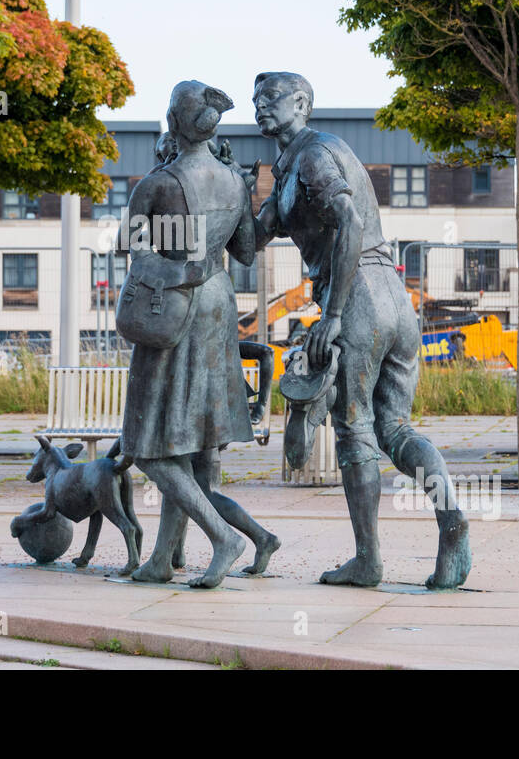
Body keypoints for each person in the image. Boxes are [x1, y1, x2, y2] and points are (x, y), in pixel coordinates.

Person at [250, 70, 469, 590]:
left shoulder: (313, 154)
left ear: (302, 103)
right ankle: (450, 516)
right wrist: (236, 195)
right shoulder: (287, 169)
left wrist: (336, 314)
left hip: (359, 296)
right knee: (395, 428)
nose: (260, 105)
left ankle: (368, 560)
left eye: (272, 97)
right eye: (256, 97)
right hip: (394, 294)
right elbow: (250, 241)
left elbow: (347, 222)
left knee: (356, 431)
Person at [119, 80, 260, 589]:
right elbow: (245, 250)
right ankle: (160, 559)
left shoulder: (158, 184)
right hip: (220, 302)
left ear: (174, 123)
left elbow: (131, 251)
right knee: (191, 440)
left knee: (151, 445)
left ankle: (222, 537)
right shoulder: (234, 181)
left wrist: (174, 263)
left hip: (175, 309)